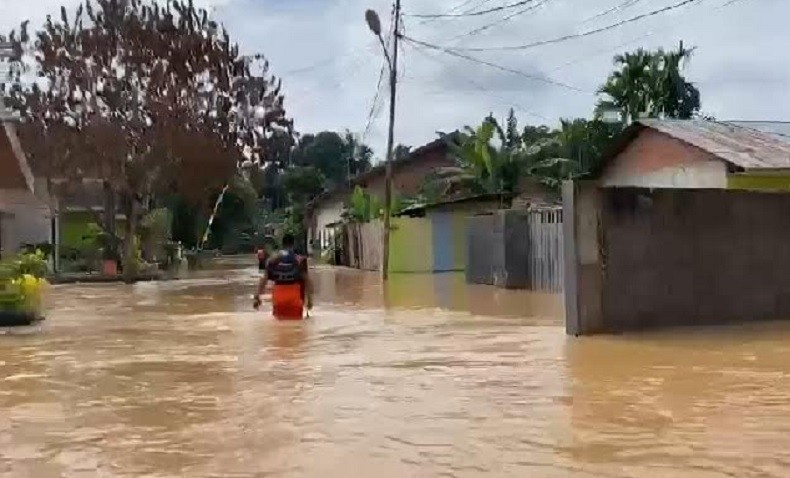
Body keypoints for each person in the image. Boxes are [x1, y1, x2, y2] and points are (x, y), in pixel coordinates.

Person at [253, 233, 313, 320]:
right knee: (296, 326)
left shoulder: (272, 259)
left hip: (278, 295)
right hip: (294, 295)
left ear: (282, 244)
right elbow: (307, 280)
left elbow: (264, 280)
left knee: (279, 325)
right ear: (293, 244)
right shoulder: (299, 260)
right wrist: (310, 300)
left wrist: (257, 297)